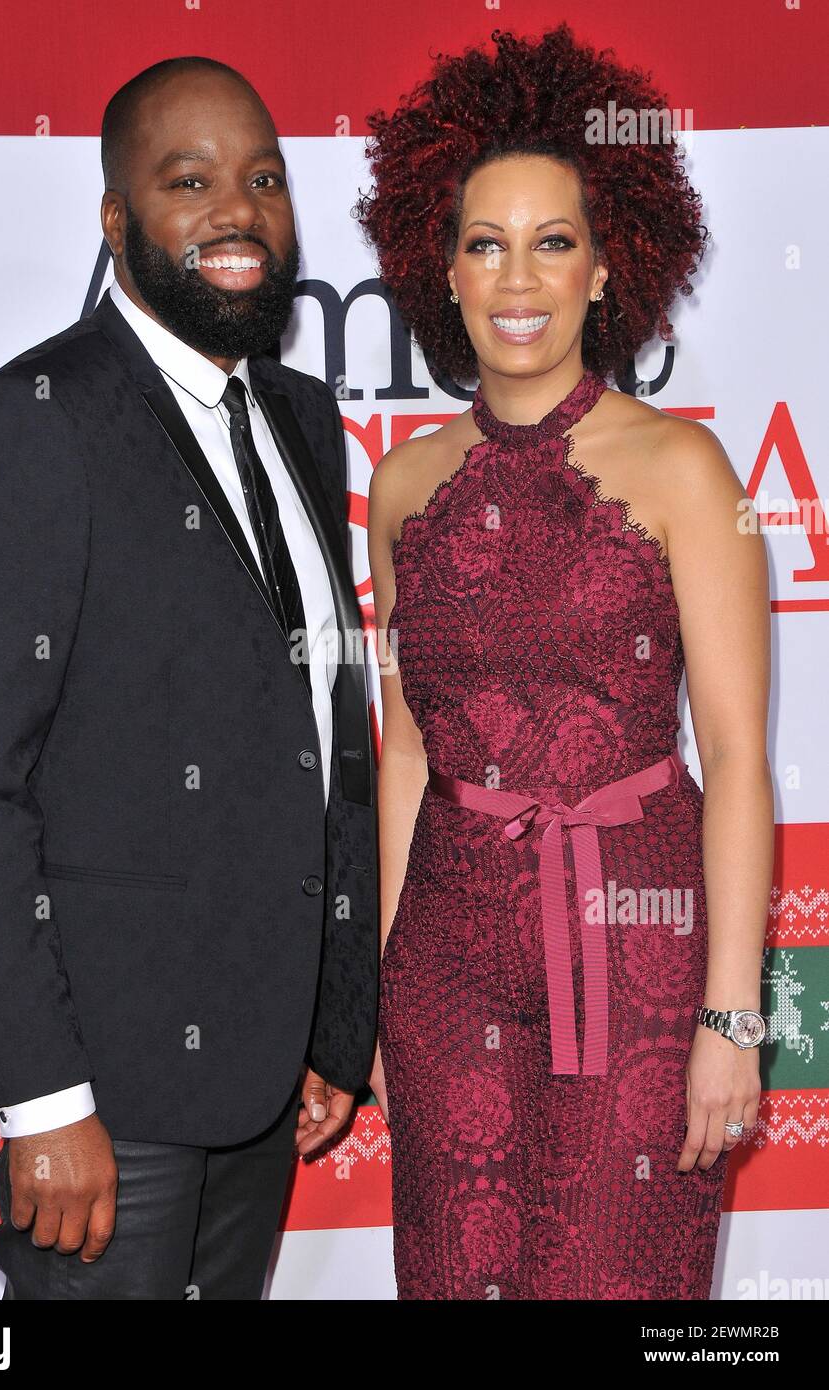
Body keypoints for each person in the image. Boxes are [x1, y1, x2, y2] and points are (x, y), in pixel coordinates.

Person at [0, 56, 377, 1301]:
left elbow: (327, 730)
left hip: (267, 1069)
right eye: (189, 181)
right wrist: (45, 1099)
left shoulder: (302, 415)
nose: (237, 212)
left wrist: (333, 1016)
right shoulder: (33, 418)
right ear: (116, 222)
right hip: (104, 1092)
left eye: (263, 179)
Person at [359, 25, 772, 1299]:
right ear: (442, 266)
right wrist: (382, 987)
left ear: (606, 269)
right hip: (442, 966)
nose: (517, 277)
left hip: (637, 958)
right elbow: (408, 749)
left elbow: (741, 762)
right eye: (486, 243)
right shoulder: (401, 485)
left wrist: (730, 1018)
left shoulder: (682, 471)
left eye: (554, 242)